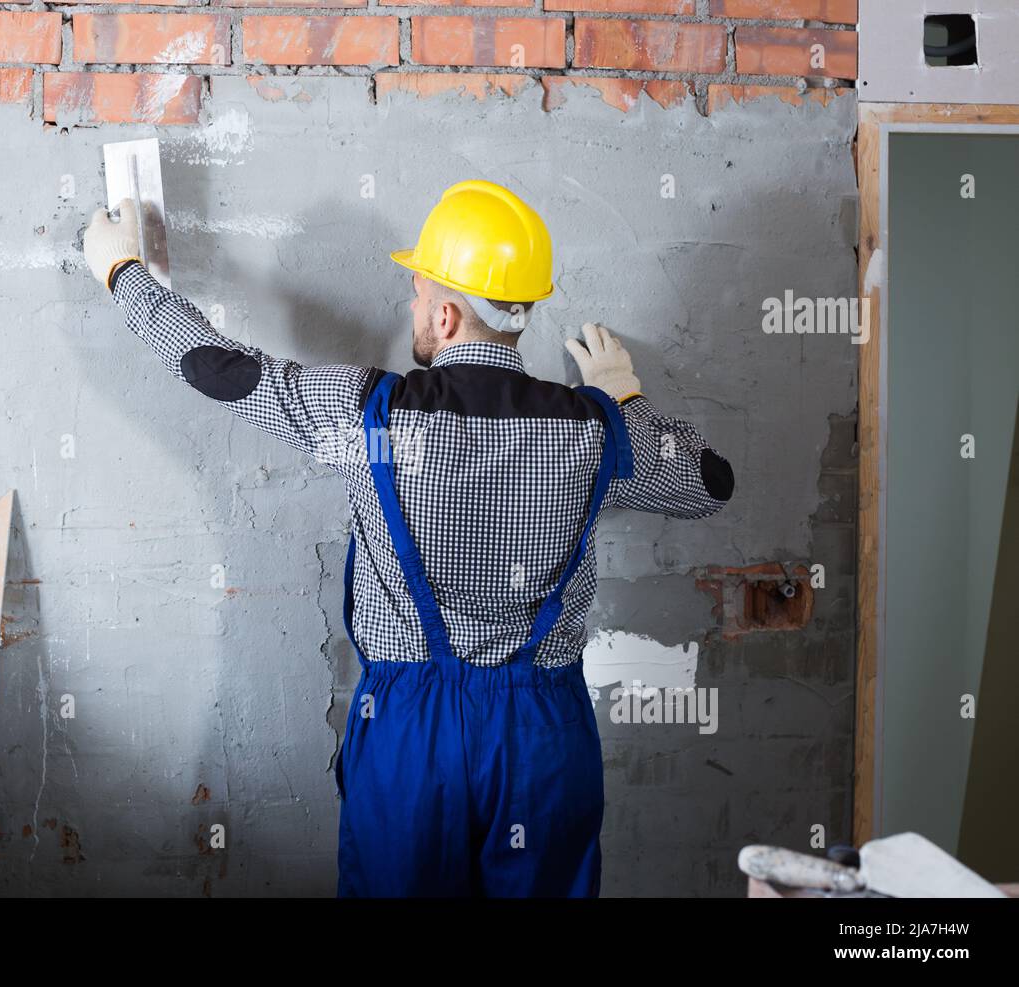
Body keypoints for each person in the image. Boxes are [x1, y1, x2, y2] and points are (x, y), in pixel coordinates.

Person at [82, 179, 734, 897]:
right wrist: (624, 395)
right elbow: (710, 483)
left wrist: (124, 275)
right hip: (545, 740)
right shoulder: (593, 429)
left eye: (418, 293)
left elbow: (219, 368)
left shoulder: (368, 415)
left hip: (411, 737)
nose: (412, 305)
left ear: (449, 314)